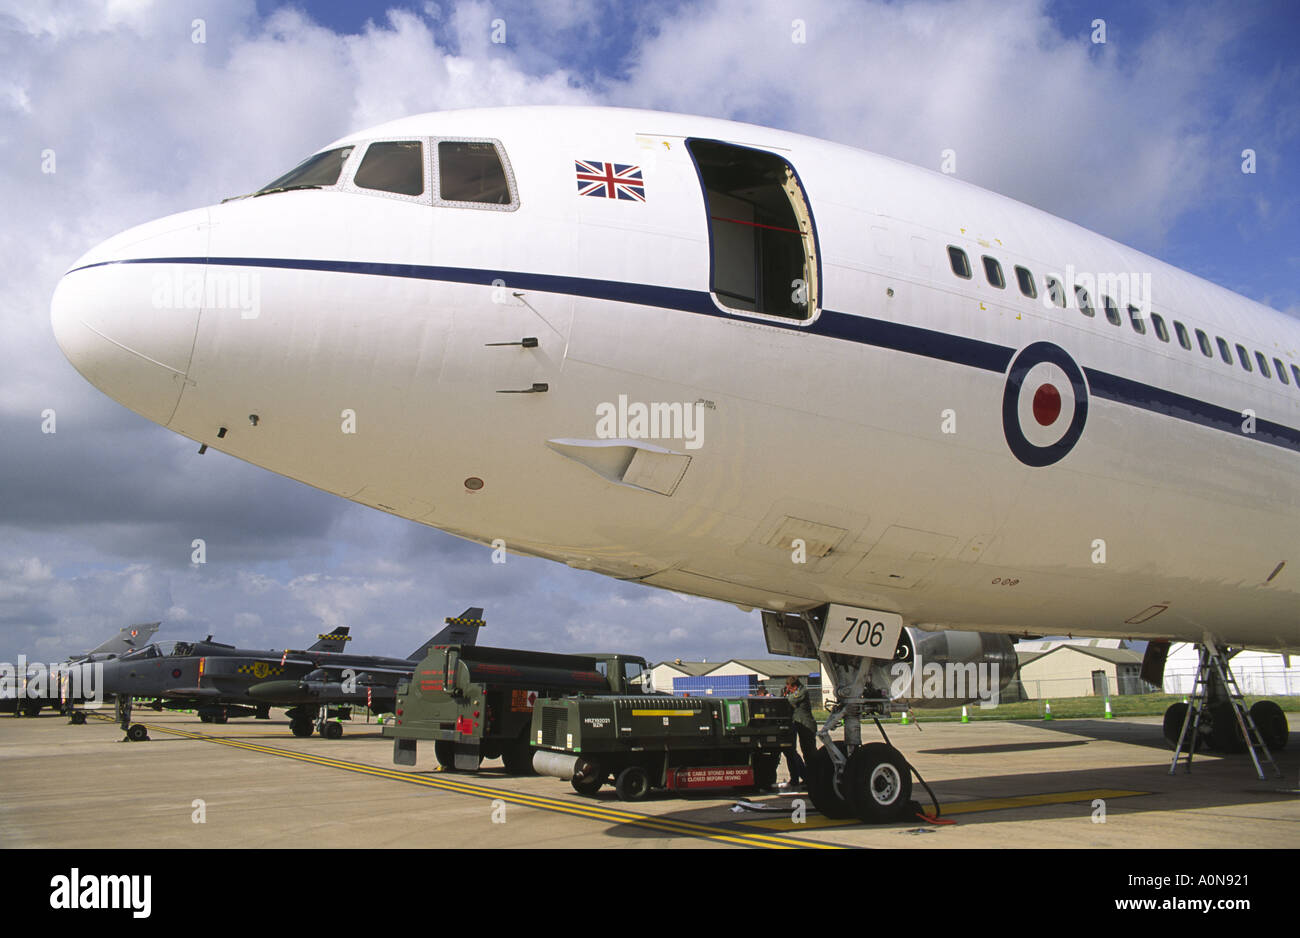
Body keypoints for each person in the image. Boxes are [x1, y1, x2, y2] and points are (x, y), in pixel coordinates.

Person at [780, 675, 817, 791]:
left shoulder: (802, 691)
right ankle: (797, 778)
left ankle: (813, 779)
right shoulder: (795, 691)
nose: (788, 690)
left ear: (794, 686)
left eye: (789, 688)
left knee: (809, 753)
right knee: (790, 751)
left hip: (806, 725)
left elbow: (790, 700)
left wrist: (786, 695)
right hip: (796, 724)